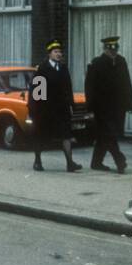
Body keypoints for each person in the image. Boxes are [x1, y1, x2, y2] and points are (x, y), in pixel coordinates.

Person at [85, 35, 132, 173]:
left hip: (118, 106)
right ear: (105, 49)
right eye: (110, 49)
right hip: (102, 107)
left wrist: (131, 104)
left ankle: (96, 163)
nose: (114, 52)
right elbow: (89, 88)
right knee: (109, 134)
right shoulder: (96, 63)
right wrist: (89, 108)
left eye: (116, 49)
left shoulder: (121, 61)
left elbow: (127, 83)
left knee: (105, 135)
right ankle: (120, 160)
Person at [30, 40, 81, 173]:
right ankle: (37, 161)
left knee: (66, 135)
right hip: (46, 110)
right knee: (41, 135)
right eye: (56, 52)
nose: (59, 54)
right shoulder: (42, 69)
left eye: (60, 52)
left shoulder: (63, 68)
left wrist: (71, 105)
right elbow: (36, 92)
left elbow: (68, 88)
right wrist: (35, 111)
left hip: (62, 109)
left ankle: (70, 163)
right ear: (49, 54)